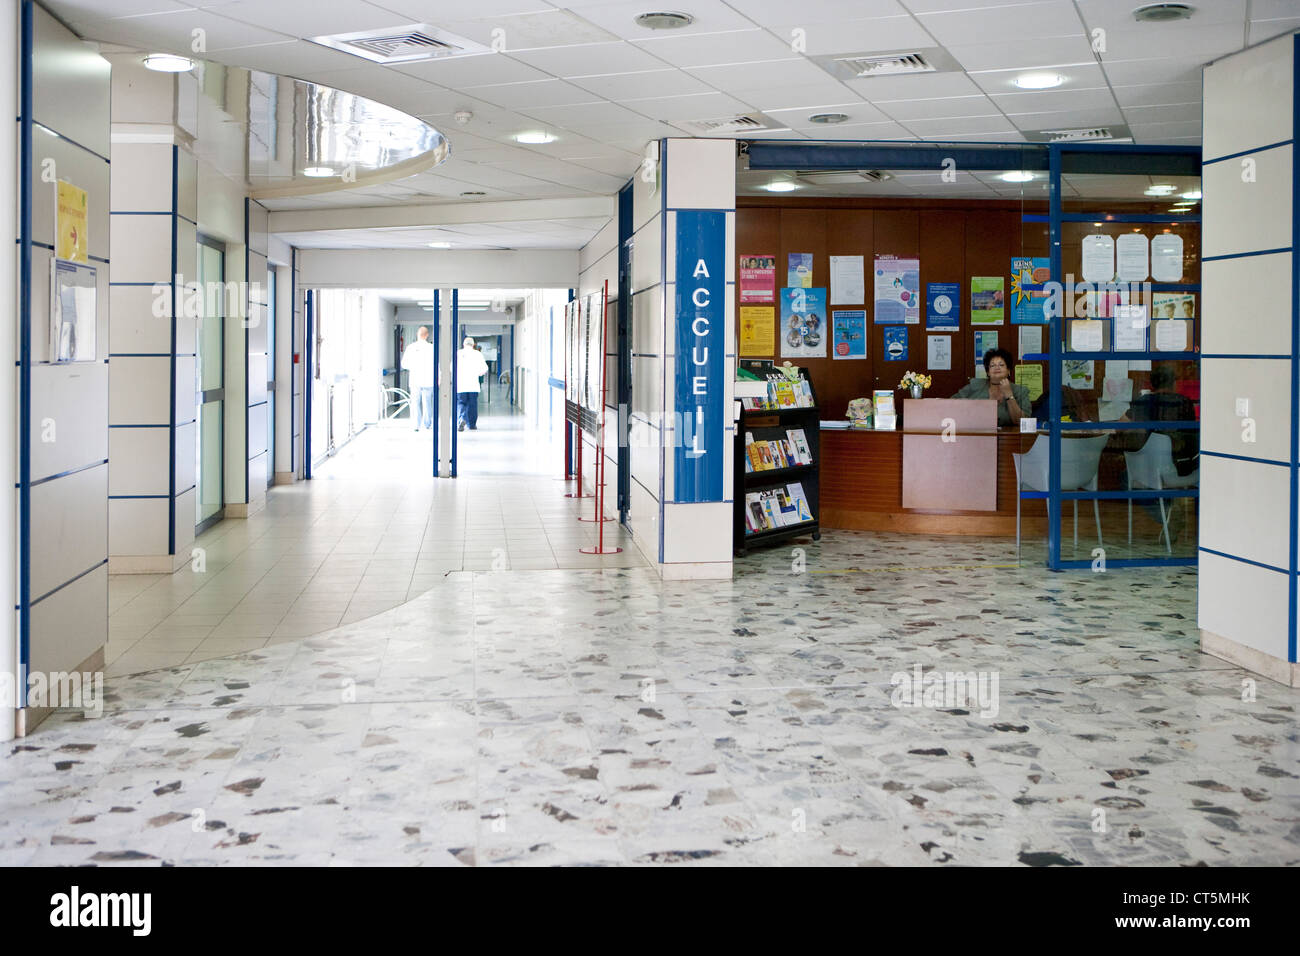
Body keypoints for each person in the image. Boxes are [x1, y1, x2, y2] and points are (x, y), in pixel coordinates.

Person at [951, 347, 1031, 426]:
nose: (997, 368)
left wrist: (1009, 395)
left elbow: (1023, 423)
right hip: (978, 434)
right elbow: (951, 404)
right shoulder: (975, 385)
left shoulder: (1020, 391)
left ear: (1008, 371)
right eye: (992, 365)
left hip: (1009, 437)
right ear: (988, 372)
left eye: (1001, 365)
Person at [399, 325, 435, 431]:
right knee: (427, 402)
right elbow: (436, 364)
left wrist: (413, 367)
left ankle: (416, 425)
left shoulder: (411, 347)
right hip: (428, 380)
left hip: (415, 380)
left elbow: (404, 364)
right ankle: (427, 424)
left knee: (415, 403)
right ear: (427, 335)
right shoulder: (432, 348)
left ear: (417, 335)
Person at [456, 335, 489, 431]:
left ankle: (461, 419)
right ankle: (472, 425)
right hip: (473, 385)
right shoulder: (478, 354)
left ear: (463, 344)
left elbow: (451, 368)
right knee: (472, 405)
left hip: (461, 385)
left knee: (461, 403)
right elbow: (485, 368)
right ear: (473, 345)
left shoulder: (458, 353)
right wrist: (479, 374)